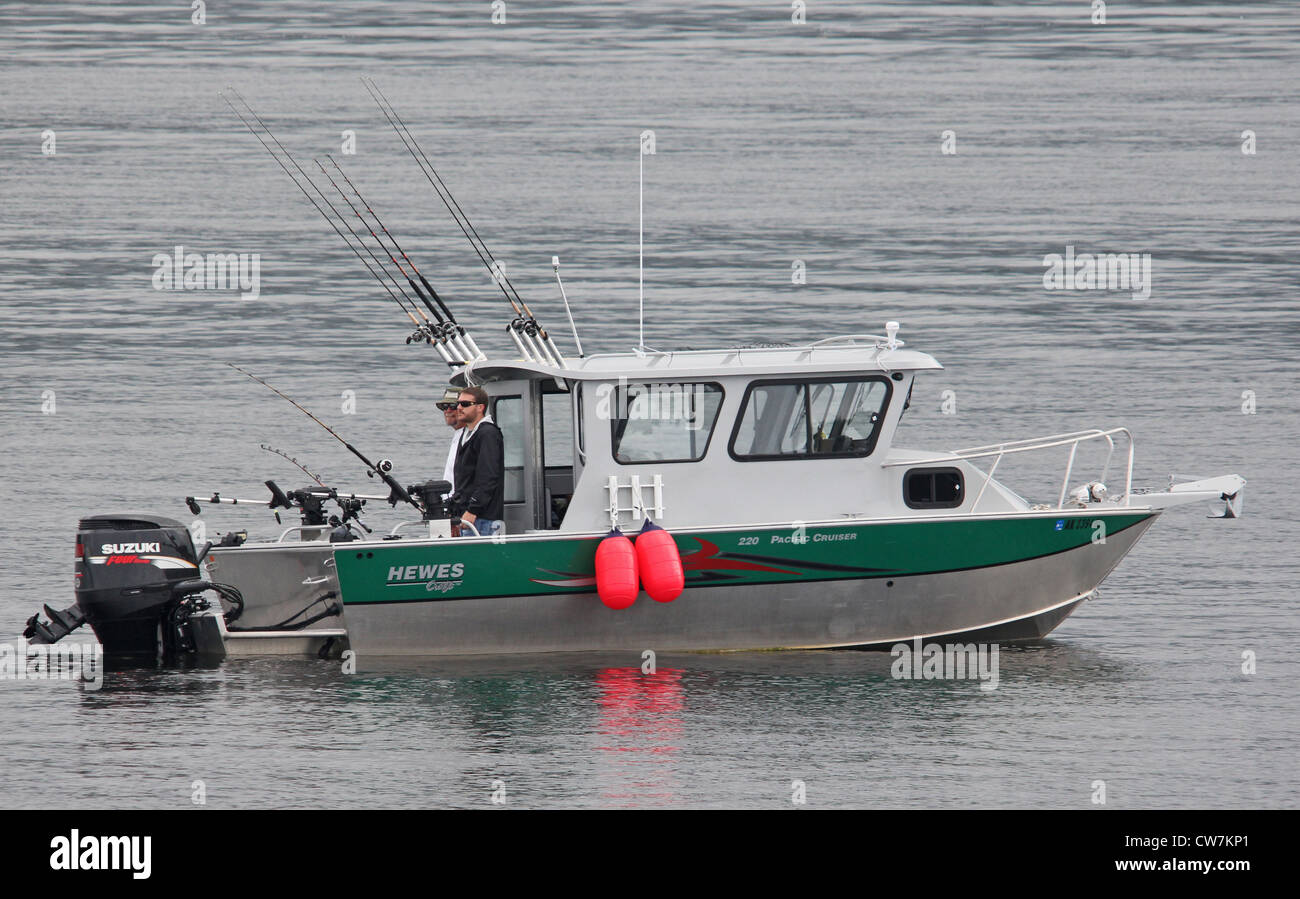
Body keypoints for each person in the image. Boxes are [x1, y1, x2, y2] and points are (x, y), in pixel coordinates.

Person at [449, 386, 505, 537]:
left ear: (480, 407)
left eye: (465, 404)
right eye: (458, 404)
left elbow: (488, 477)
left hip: (483, 519)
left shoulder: (488, 433)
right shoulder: (467, 433)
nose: (459, 408)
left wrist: (473, 510)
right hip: (467, 516)